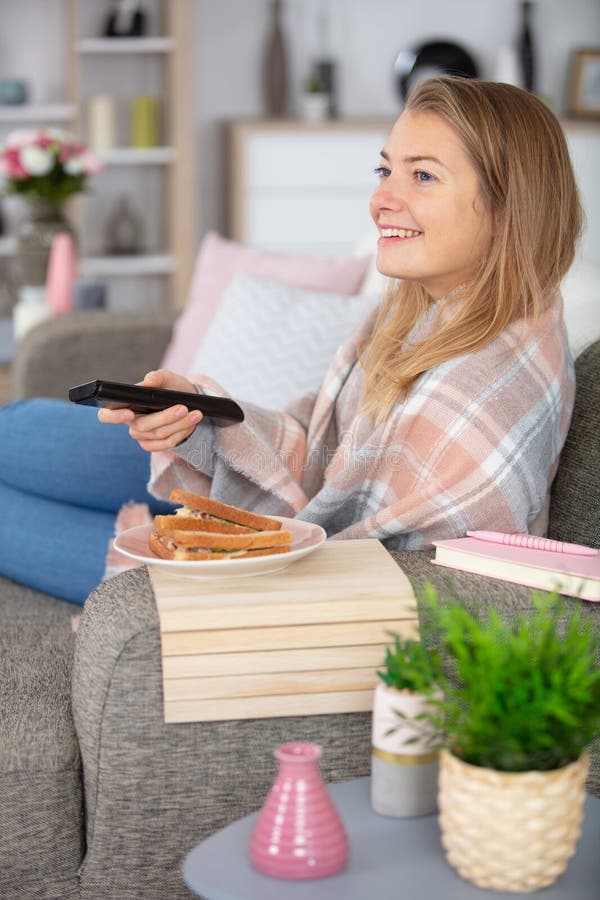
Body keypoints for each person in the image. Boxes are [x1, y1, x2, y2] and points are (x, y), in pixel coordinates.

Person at [0, 77, 581, 605]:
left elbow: (392, 570)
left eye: (423, 175)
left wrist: (216, 547)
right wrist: (199, 421)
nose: (382, 200)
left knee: (13, 446)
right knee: (15, 432)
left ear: (509, 206)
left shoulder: (492, 377)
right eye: (386, 171)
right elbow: (320, 447)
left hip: (272, 573)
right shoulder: (423, 316)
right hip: (278, 526)